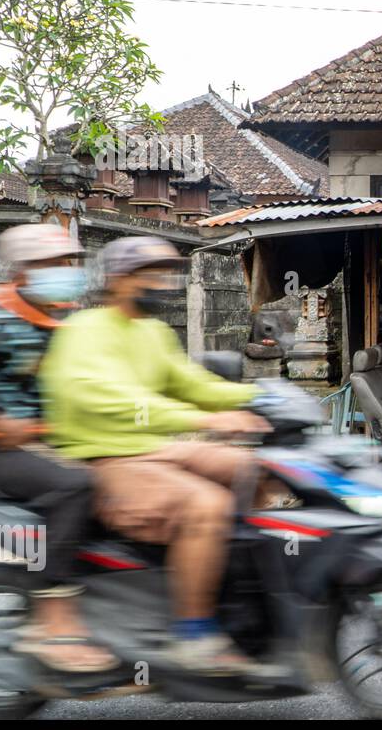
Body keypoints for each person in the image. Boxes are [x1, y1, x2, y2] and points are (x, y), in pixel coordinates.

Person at [39, 236, 275, 676]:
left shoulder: (153, 332)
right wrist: (206, 420)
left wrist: (262, 397)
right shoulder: (84, 331)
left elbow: (190, 384)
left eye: (162, 273)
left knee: (252, 469)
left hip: (154, 449)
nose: (159, 283)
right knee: (207, 505)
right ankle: (194, 632)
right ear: (117, 280)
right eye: (148, 274)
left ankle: (234, 584)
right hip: (106, 458)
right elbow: (111, 399)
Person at [0, 223, 117, 673]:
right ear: (22, 274)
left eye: (68, 263)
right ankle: (52, 619)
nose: (65, 272)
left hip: (50, 441)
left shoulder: (60, 323)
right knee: (77, 487)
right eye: (53, 264)